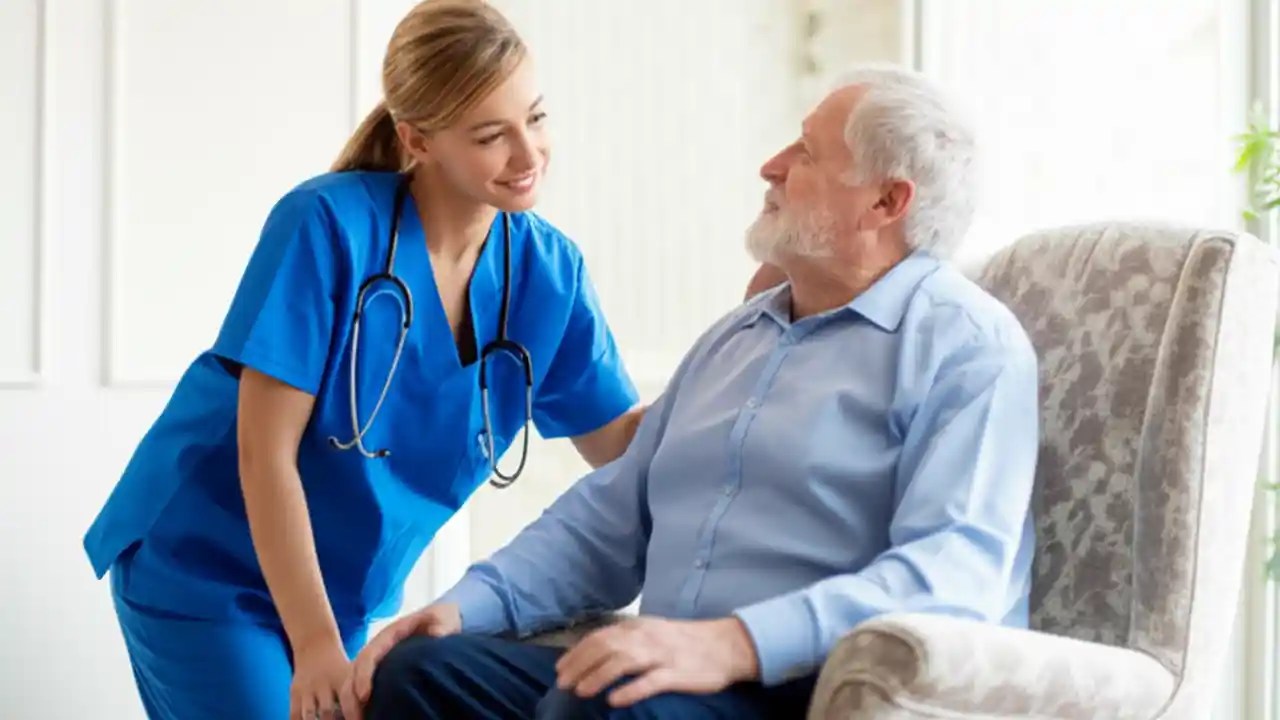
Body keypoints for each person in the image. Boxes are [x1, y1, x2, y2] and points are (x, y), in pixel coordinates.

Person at [340, 64, 1042, 720]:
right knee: (416, 675)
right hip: (670, 672)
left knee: (601, 702)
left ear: (887, 201)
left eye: (805, 152)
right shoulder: (737, 336)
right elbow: (611, 518)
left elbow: (950, 577)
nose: (771, 166)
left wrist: (731, 644)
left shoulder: (967, 347)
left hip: (808, 689)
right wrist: (469, 604)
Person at [81, 2, 652, 718]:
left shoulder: (547, 271)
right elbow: (265, 452)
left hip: (338, 590)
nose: (529, 154)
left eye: (536, 119)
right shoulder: (326, 225)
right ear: (417, 139)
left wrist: (741, 384)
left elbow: (617, 441)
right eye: (490, 135)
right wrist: (316, 642)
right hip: (204, 567)